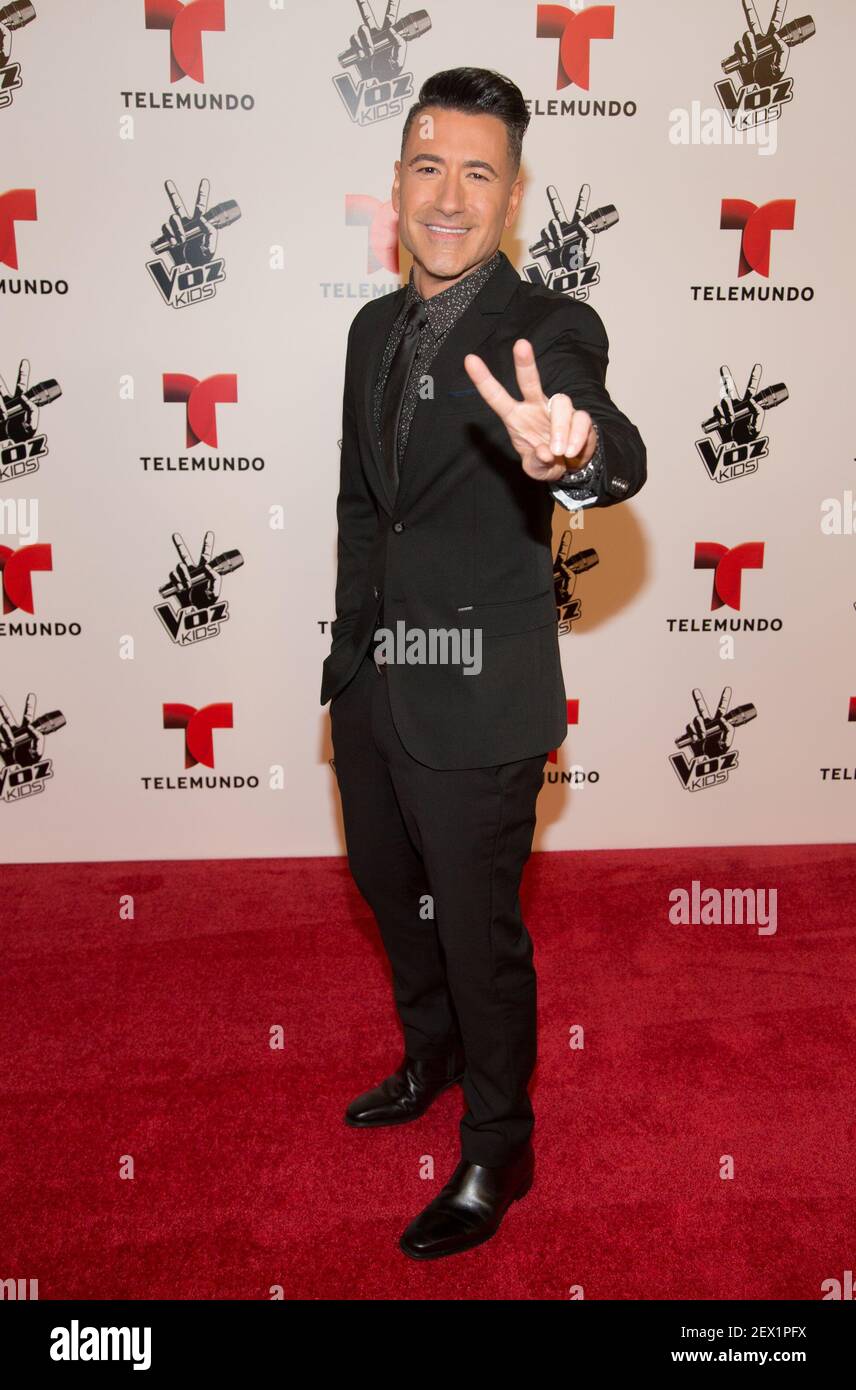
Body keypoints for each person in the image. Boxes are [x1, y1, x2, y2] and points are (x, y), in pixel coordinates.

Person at [320, 66, 646, 1261]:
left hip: (480, 702)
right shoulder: (367, 329)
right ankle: (431, 1049)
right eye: (427, 165)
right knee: (384, 889)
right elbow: (368, 506)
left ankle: (498, 1144)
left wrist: (573, 455)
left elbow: (604, 438)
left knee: (476, 931)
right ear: (397, 180)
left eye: (478, 173)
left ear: (511, 196)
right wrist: (348, 652)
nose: (448, 196)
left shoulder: (547, 327)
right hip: (374, 681)